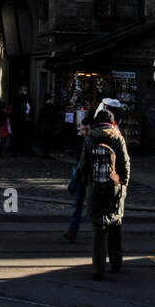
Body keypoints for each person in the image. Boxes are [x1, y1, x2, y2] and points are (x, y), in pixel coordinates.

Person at [81, 108, 130, 279]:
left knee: (98, 229)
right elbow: (125, 165)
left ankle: (98, 269)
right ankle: (116, 262)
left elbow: (83, 166)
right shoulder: (118, 138)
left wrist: (87, 183)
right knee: (115, 223)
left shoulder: (89, 139)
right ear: (112, 122)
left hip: (95, 188)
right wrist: (123, 186)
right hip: (114, 189)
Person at [64, 110, 93, 243]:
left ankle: (98, 233)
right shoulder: (80, 140)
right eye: (83, 129)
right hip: (82, 175)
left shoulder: (92, 141)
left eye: (87, 130)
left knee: (89, 206)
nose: (84, 132)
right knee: (78, 205)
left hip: (91, 176)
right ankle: (72, 231)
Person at [10, 85, 33, 157]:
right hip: (19, 120)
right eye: (24, 90)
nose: (25, 91)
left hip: (24, 119)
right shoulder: (18, 98)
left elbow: (31, 108)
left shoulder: (28, 98)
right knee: (19, 135)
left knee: (23, 135)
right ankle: (17, 150)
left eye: (26, 90)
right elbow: (15, 110)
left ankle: (21, 150)